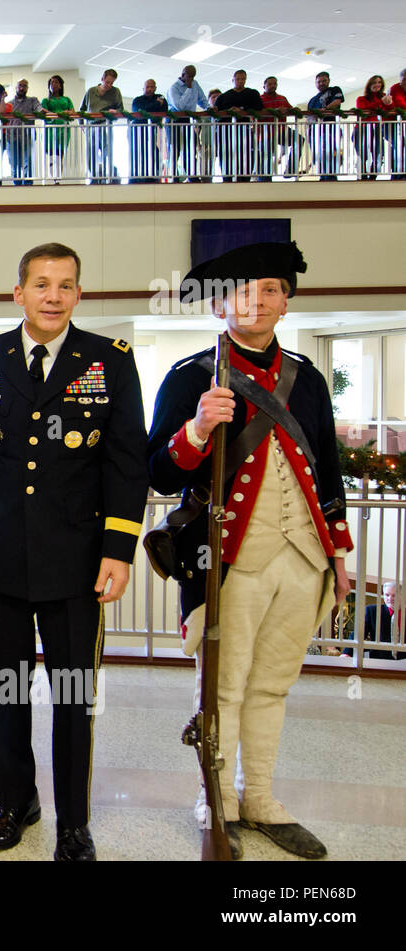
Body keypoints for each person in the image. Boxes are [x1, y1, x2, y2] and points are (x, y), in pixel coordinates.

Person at [148, 240, 352, 860]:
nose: (256, 302)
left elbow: (329, 470)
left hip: (304, 555)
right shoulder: (190, 377)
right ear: (219, 305)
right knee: (224, 687)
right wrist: (200, 428)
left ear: (285, 303)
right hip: (230, 559)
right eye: (243, 291)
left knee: (273, 685)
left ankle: (259, 796)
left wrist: (338, 557)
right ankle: (219, 802)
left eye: (270, 290)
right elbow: (158, 471)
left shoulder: (307, 379)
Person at [0, 242, 149, 861]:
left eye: (65, 286)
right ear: (19, 293)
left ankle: (73, 822)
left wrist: (118, 549)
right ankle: (15, 803)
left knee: (72, 694)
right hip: (0, 560)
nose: (53, 296)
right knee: (8, 690)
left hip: (77, 563)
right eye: (41, 284)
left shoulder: (110, 360)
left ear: (78, 295)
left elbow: (126, 462)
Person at [214, 70, 265, 182]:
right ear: (233, 80)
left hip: (244, 130)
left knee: (245, 153)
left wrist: (242, 110)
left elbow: (259, 108)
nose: (240, 81)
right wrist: (229, 111)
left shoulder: (252, 94)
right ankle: (227, 178)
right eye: (238, 79)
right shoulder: (224, 96)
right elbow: (216, 112)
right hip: (226, 132)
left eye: (243, 79)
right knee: (227, 154)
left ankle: (245, 178)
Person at [168, 65, 211, 182]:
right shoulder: (174, 88)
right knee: (175, 148)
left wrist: (209, 108)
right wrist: (189, 88)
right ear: (183, 75)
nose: (191, 79)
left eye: (193, 77)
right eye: (189, 76)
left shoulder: (195, 84)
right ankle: (173, 176)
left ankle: (192, 174)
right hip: (174, 119)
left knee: (190, 147)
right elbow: (179, 106)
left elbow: (202, 100)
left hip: (188, 120)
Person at [79, 69, 123, 183]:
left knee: (107, 152)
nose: (109, 85)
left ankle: (106, 176)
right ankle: (94, 176)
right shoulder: (91, 91)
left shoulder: (115, 92)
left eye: (112, 83)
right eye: (107, 82)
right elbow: (81, 110)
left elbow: (121, 109)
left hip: (106, 124)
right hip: (91, 125)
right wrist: (81, 125)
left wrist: (115, 111)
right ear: (102, 79)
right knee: (91, 152)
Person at [345, 582, 403, 660]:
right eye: (387, 595)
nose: (390, 598)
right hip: (379, 661)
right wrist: (347, 653)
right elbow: (359, 633)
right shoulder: (372, 611)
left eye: (394, 595)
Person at [307, 71, 345, 181]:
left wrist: (324, 110)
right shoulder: (313, 100)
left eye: (324, 81)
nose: (321, 83)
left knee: (328, 151)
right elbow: (309, 116)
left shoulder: (334, 90)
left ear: (328, 81)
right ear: (315, 83)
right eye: (319, 81)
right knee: (318, 154)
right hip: (315, 130)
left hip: (330, 127)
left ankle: (330, 177)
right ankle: (323, 176)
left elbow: (337, 101)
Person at [129, 79, 167, 183]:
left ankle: (151, 176)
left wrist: (148, 110)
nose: (149, 89)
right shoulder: (137, 100)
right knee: (137, 152)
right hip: (137, 131)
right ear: (143, 88)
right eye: (147, 87)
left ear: (155, 88)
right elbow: (139, 112)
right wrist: (155, 104)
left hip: (151, 132)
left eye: (151, 87)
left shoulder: (161, 97)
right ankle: (135, 177)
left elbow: (164, 109)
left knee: (152, 152)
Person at [356, 75, 392, 180]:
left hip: (377, 127)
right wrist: (381, 101)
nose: (377, 85)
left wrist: (388, 101)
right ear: (369, 85)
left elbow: (390, 109)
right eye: (374, 82)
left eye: (379, 82)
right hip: (362, 128)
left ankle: (373, 175)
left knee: (378, 153)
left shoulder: (384, 96)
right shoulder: (361, 99)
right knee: (362, 153)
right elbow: (363, 110)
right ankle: (362, 175)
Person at [259, 77, 296, 179]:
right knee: (266, 156)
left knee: (299, 140)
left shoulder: (282, 98)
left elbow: (290, 109)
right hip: (266, 132)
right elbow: (257, 113)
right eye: (270, 84)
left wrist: (292, 110)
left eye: (274, 84)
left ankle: (291, 169)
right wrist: (275, 110)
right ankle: (265, 179)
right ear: (264, 86)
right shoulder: (260, 99)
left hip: (282, 130)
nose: (272, 86)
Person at [6, 78, 40, 185]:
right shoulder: (10, 104)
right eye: (20, 85)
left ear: (27, 88)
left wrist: (46, 113)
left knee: (28, 161)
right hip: (12, 136)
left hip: (27, 135)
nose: (22, 88)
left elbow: (39, 108)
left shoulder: (32, 100)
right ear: (16, 87)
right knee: (14, 163)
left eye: (24, 86)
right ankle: (16, 185)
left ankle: (28, 185)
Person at [40, 75, 74, 184]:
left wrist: (66, 113)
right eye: (51, 83)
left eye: (56, 82)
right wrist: (58, 114)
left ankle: (58, 177)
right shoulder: (46, 100)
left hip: (63, 130)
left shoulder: (66, 99)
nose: (53, 85)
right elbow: (43, 111)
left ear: (60, 85)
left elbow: (72, 111)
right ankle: (54, 178)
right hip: (50, 129)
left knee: (60, 154)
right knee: (52, 154)